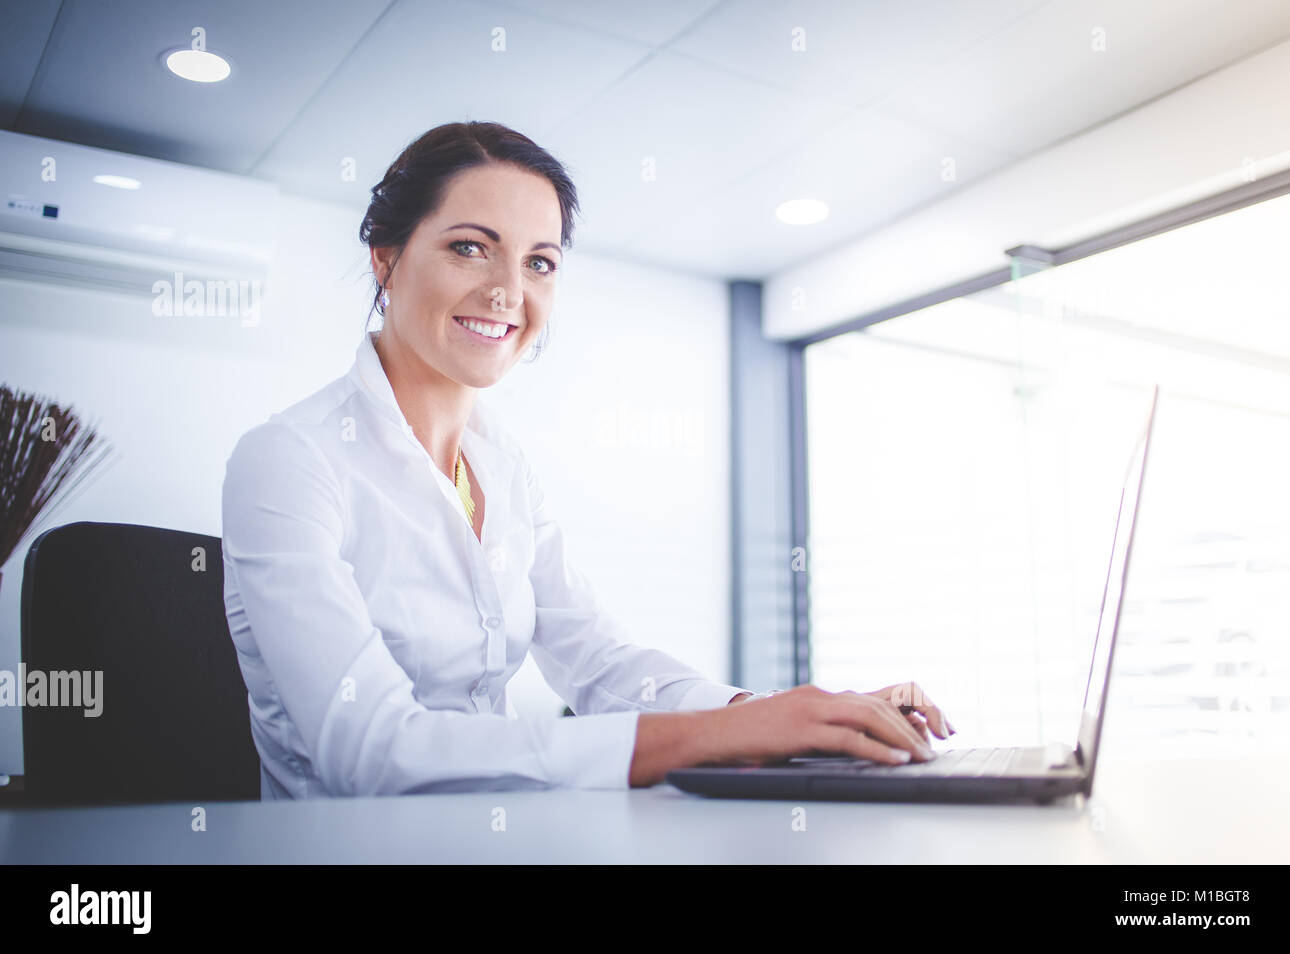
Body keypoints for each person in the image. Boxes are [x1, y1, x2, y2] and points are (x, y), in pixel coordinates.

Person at [221, 120, 955, 799]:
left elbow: (601, 664)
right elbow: (371, 749)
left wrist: (787, 716)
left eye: (539, 262)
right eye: (469, 247)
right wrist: (719, 737)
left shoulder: (502, 469)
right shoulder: (289, 460)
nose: (508, 291)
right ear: (386, 259)